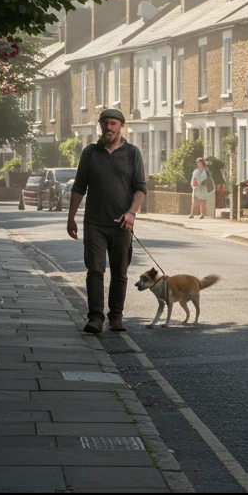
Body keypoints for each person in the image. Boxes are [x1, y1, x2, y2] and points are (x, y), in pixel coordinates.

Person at [68, 108, 146, 334]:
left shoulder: (132, 153)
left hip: (122, 224)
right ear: (100, 126)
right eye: (104, 123)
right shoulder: (90, 152)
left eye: (113, 123)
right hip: (94, 222)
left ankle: (116, 316)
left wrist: (131, 213)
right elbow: (79, 187)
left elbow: (140, 188)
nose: (108, 127)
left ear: (121, 126)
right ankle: (95, 317)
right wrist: (71, 217)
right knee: (95, 270)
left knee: (120, 272)